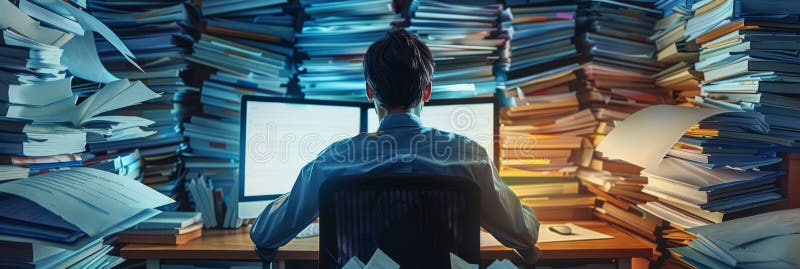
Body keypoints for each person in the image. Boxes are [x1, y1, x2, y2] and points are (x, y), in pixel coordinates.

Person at [250, 29, 540, 266]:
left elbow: (264, 234)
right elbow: (525, 235)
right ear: (427, 91)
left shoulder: (334, 161)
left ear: (369, 92)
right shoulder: (469, 158)